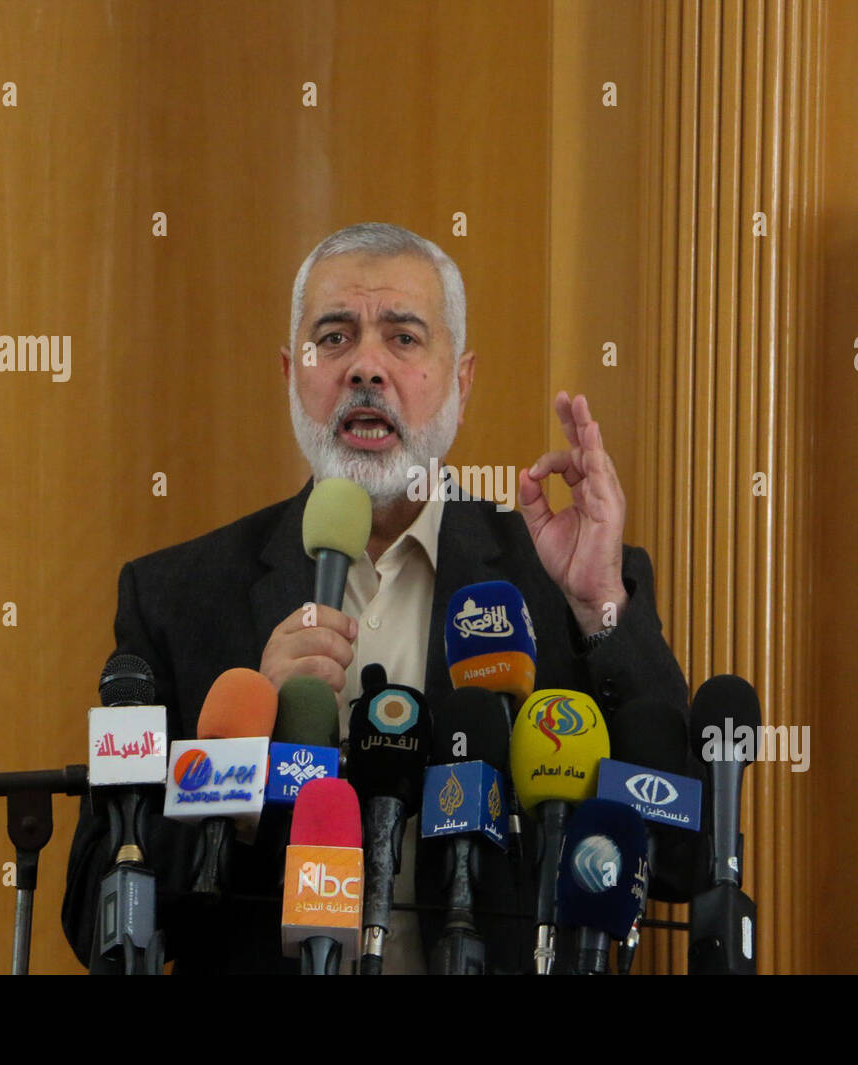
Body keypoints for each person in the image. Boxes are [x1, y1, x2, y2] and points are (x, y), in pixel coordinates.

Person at [62, 222, 690, 973]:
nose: (366, 367)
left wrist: (601, 608)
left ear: (459, 379)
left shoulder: (557, 581)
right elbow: (92, 905)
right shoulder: (178, 595)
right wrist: (235, 768)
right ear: (292, 371)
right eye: (335, 338)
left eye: (402, 338)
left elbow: (681, 859)